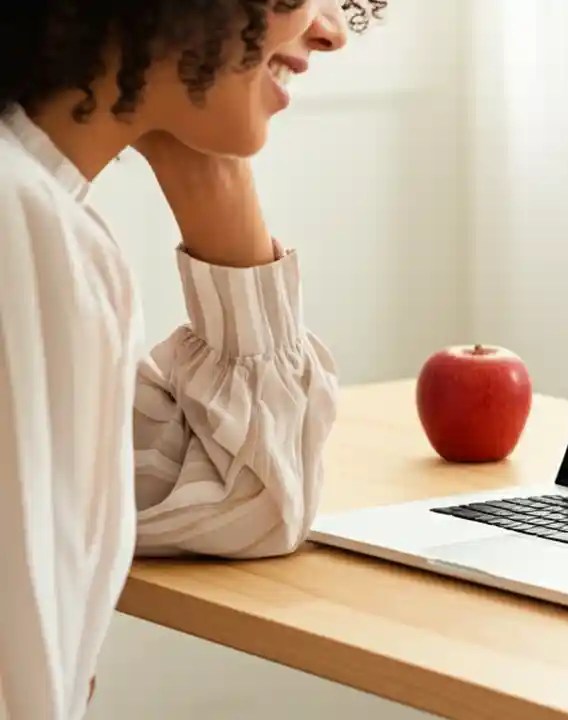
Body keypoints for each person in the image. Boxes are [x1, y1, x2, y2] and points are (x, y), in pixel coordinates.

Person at [0, 2, 384, 718]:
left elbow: (250, 499)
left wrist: (214, 173)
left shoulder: (43, 209)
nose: (332, 29)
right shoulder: (24, 227)